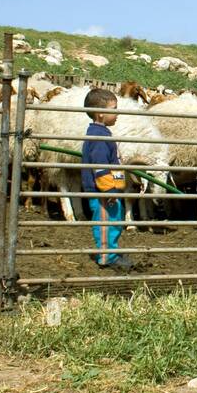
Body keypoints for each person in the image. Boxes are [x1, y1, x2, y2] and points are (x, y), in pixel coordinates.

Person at [80, 87, 134, 271]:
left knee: (114, 223)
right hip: (102, 192)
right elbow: (100, 165)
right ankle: (106, 257)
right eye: (114, 108)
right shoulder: (98, 137)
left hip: (110, 191)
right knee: (105, 223)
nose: (117, 113)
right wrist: (110, 190)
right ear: (101, 113)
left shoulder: (103, 133)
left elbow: (113, 163)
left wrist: (118, 186)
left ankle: (112, 250)